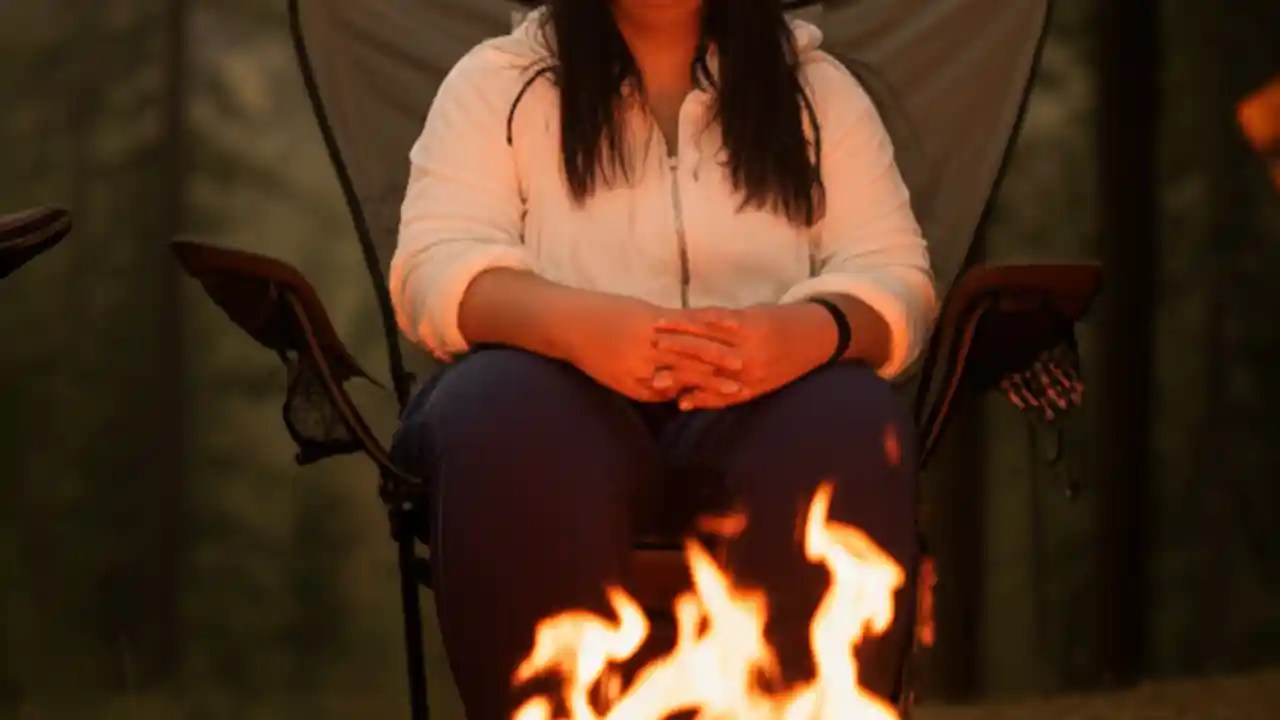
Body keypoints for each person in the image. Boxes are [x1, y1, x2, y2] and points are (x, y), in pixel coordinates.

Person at [388, 0, 937, 716]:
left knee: (850, 418)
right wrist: (579, 326)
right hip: (552, 401)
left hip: (767, 400)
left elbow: (895, 276)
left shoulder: (819, 91)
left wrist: (806, 331)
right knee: (499, 411)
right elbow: (434, 267)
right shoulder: (499, 82)